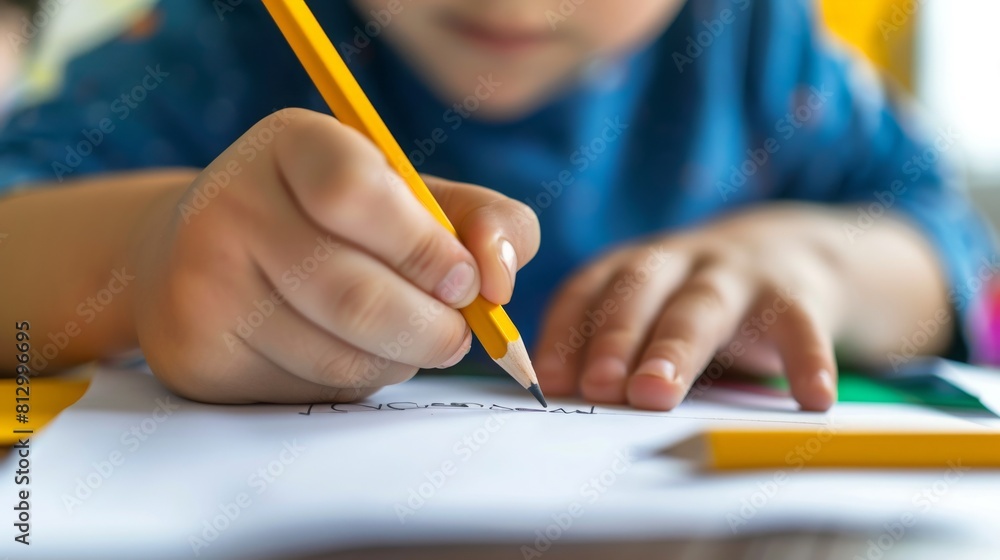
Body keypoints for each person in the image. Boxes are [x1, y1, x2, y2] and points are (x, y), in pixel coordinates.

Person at [0, 0, 992, 411]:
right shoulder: (217, 45)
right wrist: (141, 252)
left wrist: (822, 266)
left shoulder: (758, 48)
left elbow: (945, 240)